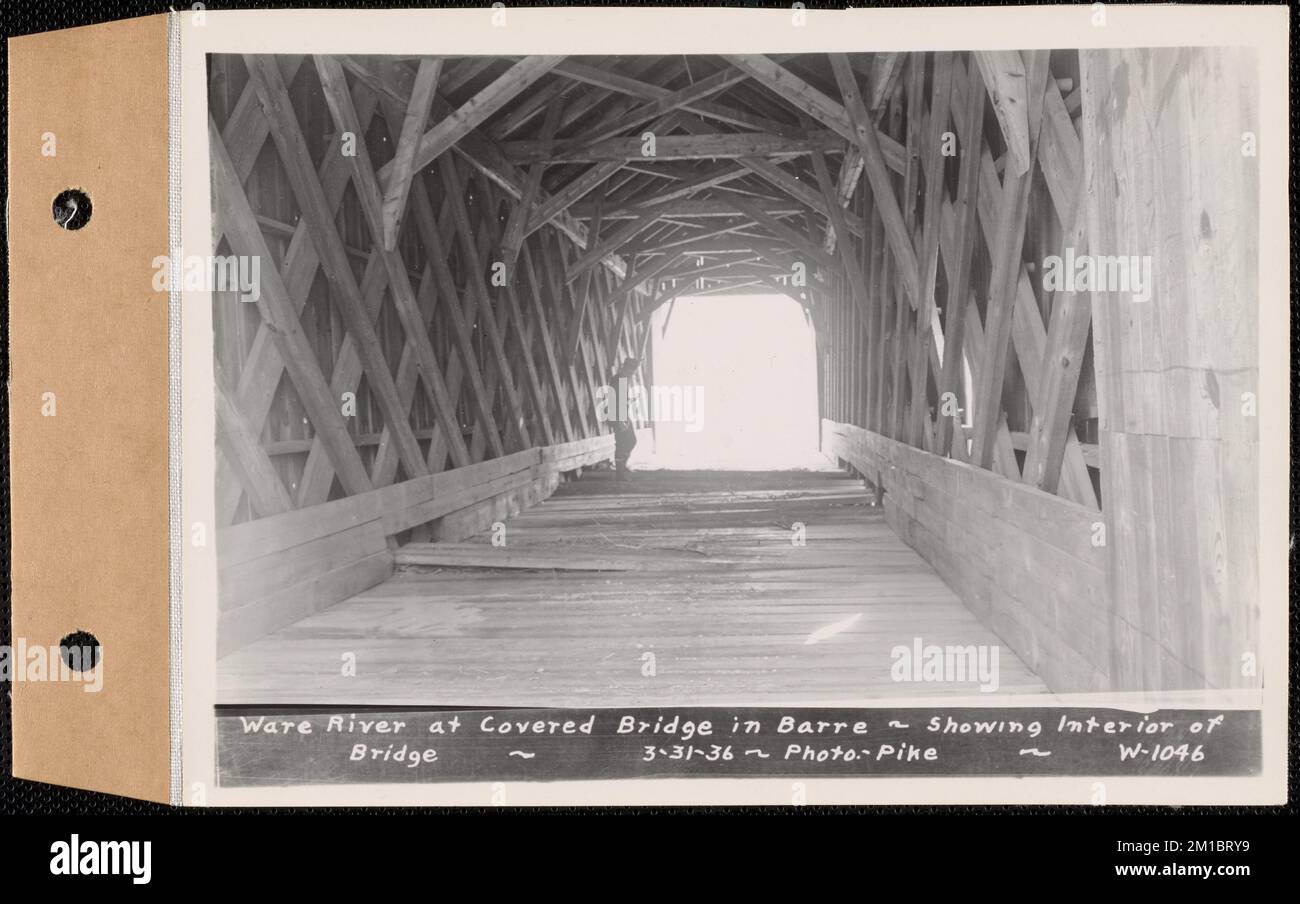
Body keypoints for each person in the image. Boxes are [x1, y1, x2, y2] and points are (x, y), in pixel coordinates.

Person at [609, 358, 640, 480]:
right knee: (622, 444)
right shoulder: (619, 380)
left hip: (622, 415)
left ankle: (622, 467)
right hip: (618, 416)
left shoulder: (622, 379)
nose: (632, 374)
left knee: (631, 440)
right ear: (626, 368)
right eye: (632, 371)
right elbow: (615, 402)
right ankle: (619, 474)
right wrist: (620, 420)